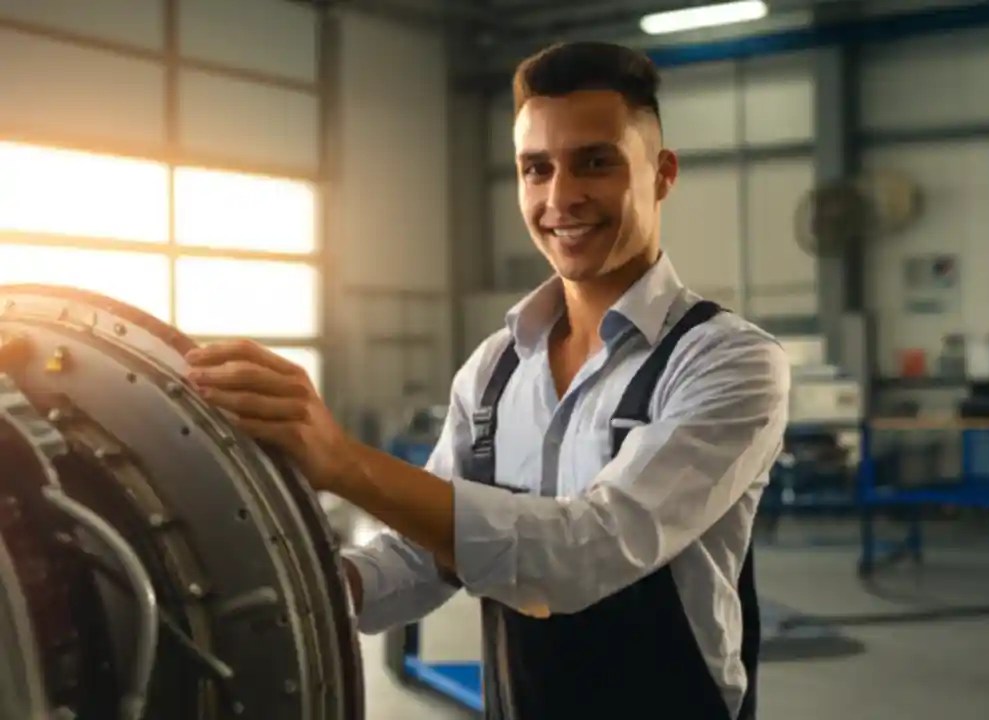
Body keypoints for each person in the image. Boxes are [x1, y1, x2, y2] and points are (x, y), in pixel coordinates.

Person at [185, 40, 790, 720]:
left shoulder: (727, 361)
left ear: (662, 174)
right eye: (537, 169)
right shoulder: (496, 369)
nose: (561, 198)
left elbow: (582, 553)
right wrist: (302, 586)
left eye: (596, 162)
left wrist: (343, 463)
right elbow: (428, 558)